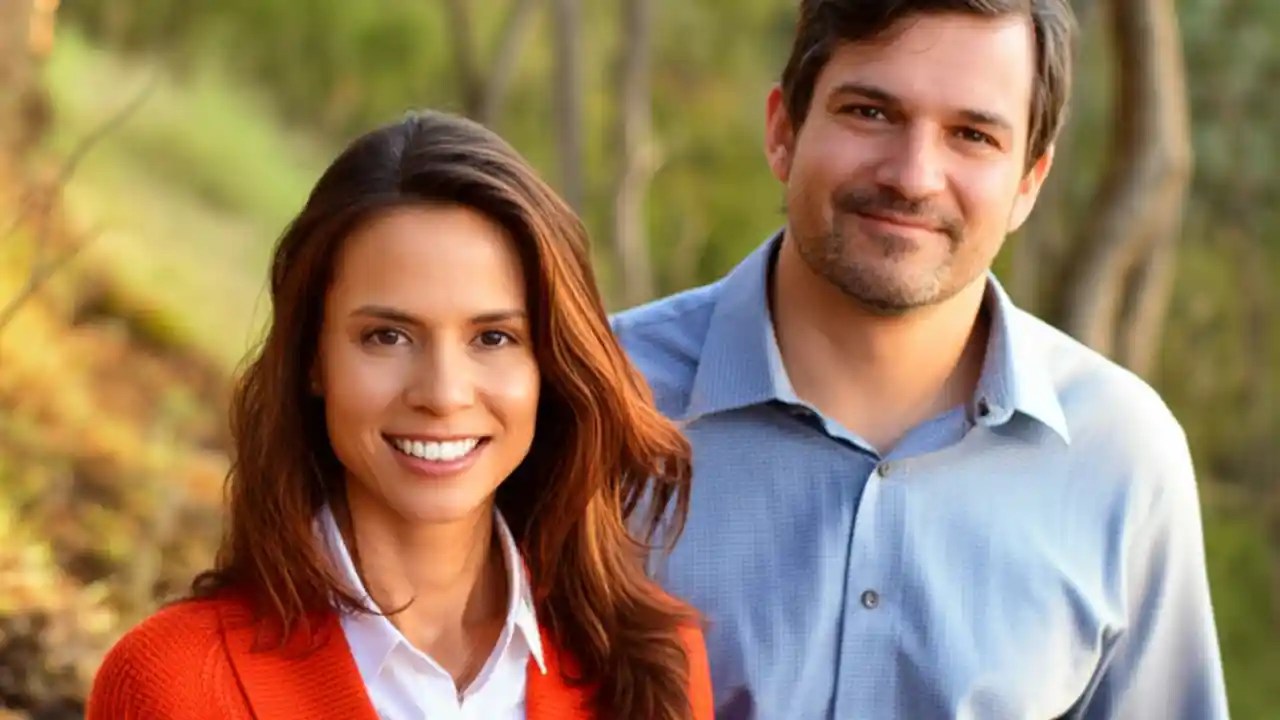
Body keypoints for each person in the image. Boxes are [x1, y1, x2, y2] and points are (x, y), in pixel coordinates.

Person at [612, 1, 1228, 718]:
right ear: (783, 131)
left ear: (1029, 180)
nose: (913, 176)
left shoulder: (1121, 456)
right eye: (871, 112)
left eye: (972, 134)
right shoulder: (593, 398)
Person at [87, 110, 714, 720]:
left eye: (492, 338)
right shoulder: (170, 687)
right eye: (387, 336)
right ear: (313, 358)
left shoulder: (650, 665)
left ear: (549, 367)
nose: (442, 394)